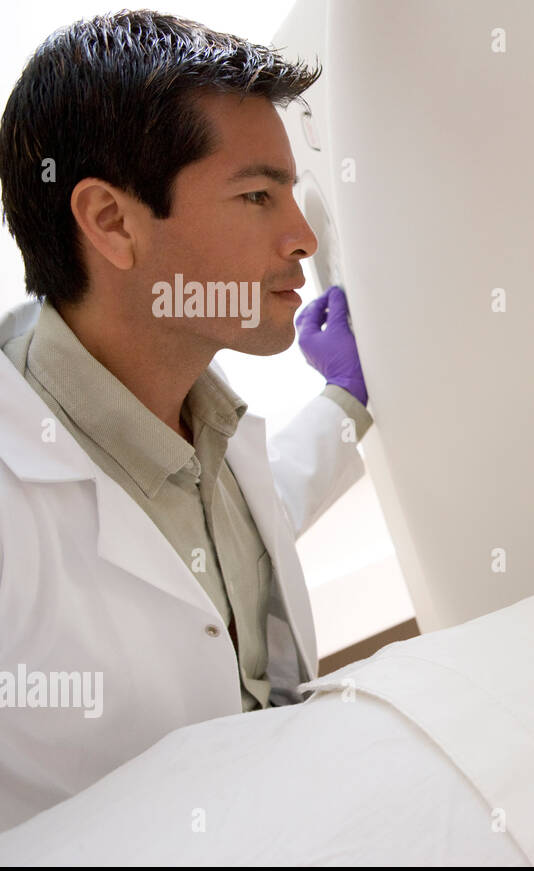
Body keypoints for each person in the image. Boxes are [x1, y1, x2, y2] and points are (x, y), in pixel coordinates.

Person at [0, 11, 369, 827]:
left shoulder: (195, 409)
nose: (301, 237)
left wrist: (348, 399)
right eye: (256, 195)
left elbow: (219, 531)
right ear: (111, 222)